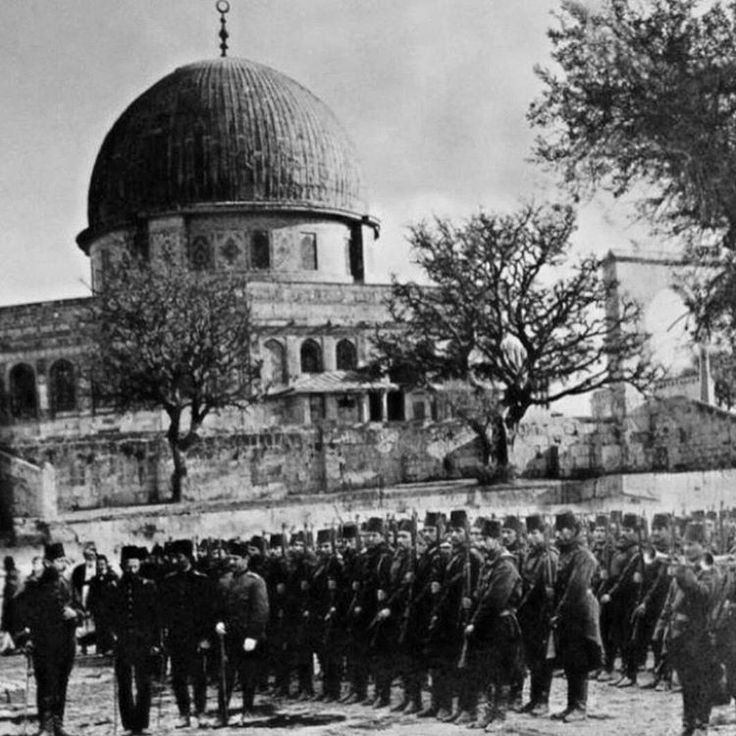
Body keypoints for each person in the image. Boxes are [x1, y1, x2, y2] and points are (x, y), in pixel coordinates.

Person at [658, 521, 719, 736]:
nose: (686, 548)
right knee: (686, 682)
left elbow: (704, 595)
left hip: (699, 633)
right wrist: (661, 627)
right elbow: (671, 600)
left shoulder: (710, 569)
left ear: (703, 544)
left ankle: (701, 724)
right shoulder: (684, 568)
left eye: (691, 544)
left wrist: (684, 573)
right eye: (684, 544)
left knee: (701, 681)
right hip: (680, 633)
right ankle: (688, 722)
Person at [16, 542, 83, 736]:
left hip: (66, 642)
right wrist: (26, 638)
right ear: (47, 562)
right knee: (45, 682)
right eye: (58, 560)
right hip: (44, 642)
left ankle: (58, 723)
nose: (63, 564)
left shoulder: (67, 583)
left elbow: (81, 609)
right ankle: (45, 725)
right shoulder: (34, 585)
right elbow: (19, 613)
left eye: (64, 560)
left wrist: (75, 614)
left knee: (61, 682)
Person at [550, 511, 602, 723]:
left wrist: (559, 612)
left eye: (563, 530)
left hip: (580, 612)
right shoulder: (566, 553)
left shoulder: (583, 556)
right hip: (568, 612)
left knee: (579, 658)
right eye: (557, 530)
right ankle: (571, 705)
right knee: (570, 659)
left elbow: (576, 588)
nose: (558, 534)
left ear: (573, 531)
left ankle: (580, 706)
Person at [214, 541, 269, 726]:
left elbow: (261, 612)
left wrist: (253, 636)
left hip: (247, 638)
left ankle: (248, 711)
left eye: (236, 558)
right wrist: (218, 622)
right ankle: (222, 714)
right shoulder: (224, 581)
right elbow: (218, 607)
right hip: (229, 637)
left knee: (248, 676)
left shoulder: (255, 581)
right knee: (225, 676)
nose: (232, 562)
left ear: (246, 559)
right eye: (230, 558)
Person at [160, 539, 214, 729]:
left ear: (188, 557)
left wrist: (206, 637)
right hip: (176, 636)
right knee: (178, 677)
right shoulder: (168, 581)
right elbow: (163, 610)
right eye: (173, 557)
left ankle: (201, 712)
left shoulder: (202, 580)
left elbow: (209, 612)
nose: (175, 560)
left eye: (179, 557)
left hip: (196, 636)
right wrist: (164, 633)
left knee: (199, 676)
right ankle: (184, 713)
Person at [111, 546, 161, 736]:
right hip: (123, 641)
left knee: (144, 683)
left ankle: (141, 723)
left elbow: (155, 617)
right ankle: (128, 723)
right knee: (124, 683)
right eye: (128, 567)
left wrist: (156, 643)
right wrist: (111, 636)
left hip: (143, 641)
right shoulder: (114, 588)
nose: (132, 571)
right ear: (122, 566)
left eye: (135, 567)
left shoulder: (149, 586)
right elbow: (107, 616)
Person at [86, 555, 118, 656]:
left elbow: (117, 593)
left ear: (106, 565)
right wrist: (89, 608)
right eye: (98, 564)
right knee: (99, 628)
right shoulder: (94, 579)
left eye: (102, 564)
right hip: (98, 609)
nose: (100, 567)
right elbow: (91, 595)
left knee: (109, 629)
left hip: (110, 608)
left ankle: (110, 648)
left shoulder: (112, 577)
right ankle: (101, 648)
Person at [1, 555, 20, 654]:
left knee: (8, 626)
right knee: (9, 626)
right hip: (14, 603)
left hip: (11, 604)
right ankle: (10, 645)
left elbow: (10, 591)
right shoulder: (17, 573)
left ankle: (9, 646)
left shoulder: (11, 575)